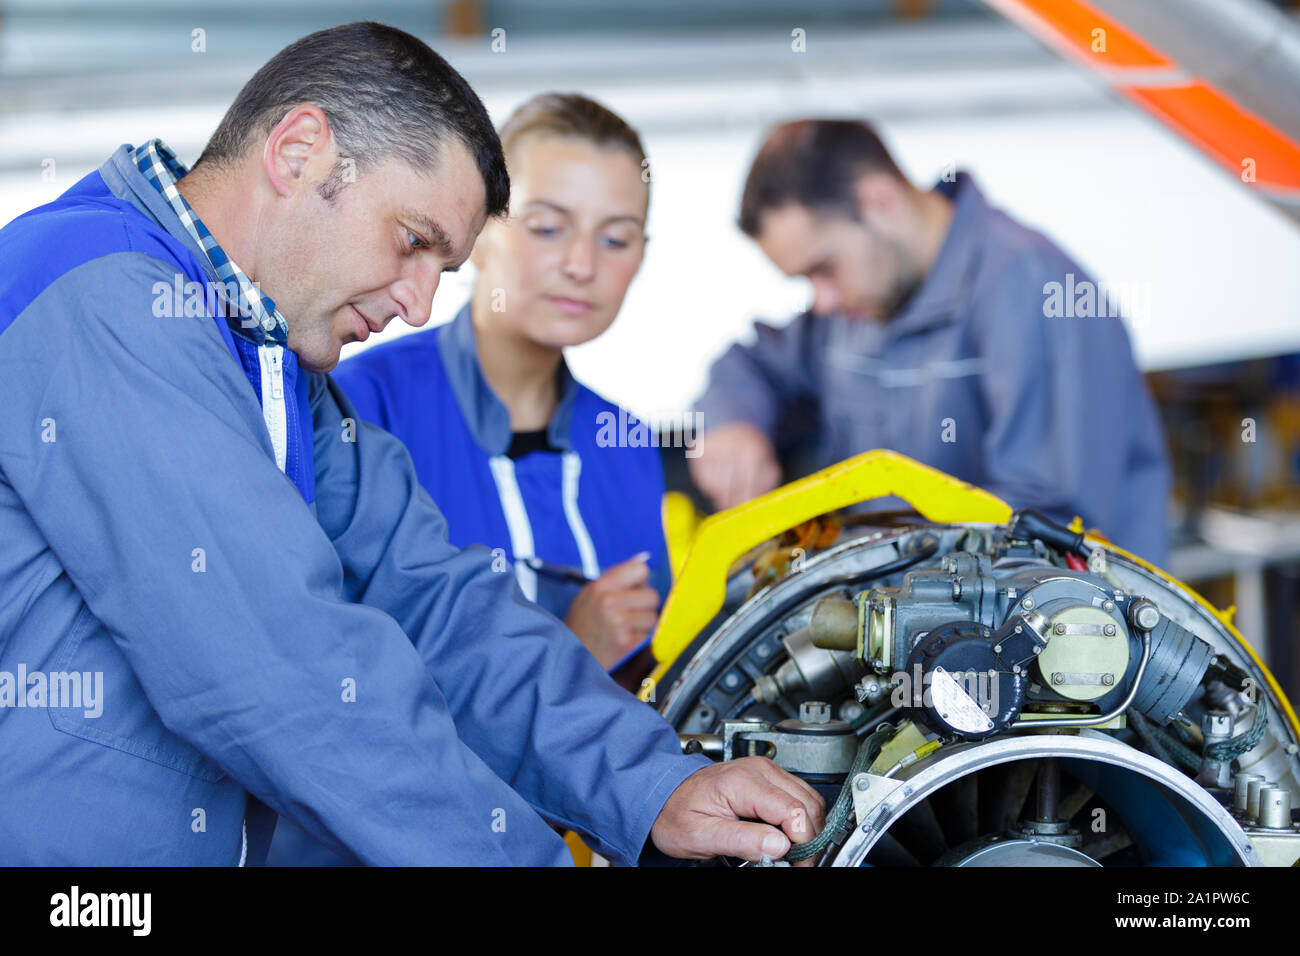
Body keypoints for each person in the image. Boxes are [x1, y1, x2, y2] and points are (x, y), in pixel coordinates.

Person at [0, 22, 823, 866]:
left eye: (445, 267)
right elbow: (283, 675)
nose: (421, 306)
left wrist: (654, 785)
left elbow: (433, 600)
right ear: (299, 153)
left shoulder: (268, 363)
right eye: (411, 241)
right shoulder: (103, 295)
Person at [689, 119, 1171, 565]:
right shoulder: (859, 306)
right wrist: (731, 421)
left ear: (880, 203)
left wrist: (864, 566)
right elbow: (751, 364)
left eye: (824, 268)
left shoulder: (1038, 291)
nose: (822, 302)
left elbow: (1045, 526)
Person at [332, 93, 665, 687]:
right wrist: (570, 650)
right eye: (546, 227)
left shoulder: (628, 443)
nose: (582, 264)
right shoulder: (362, 405)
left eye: (616, 239)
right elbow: (339, 673)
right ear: (478, 228)